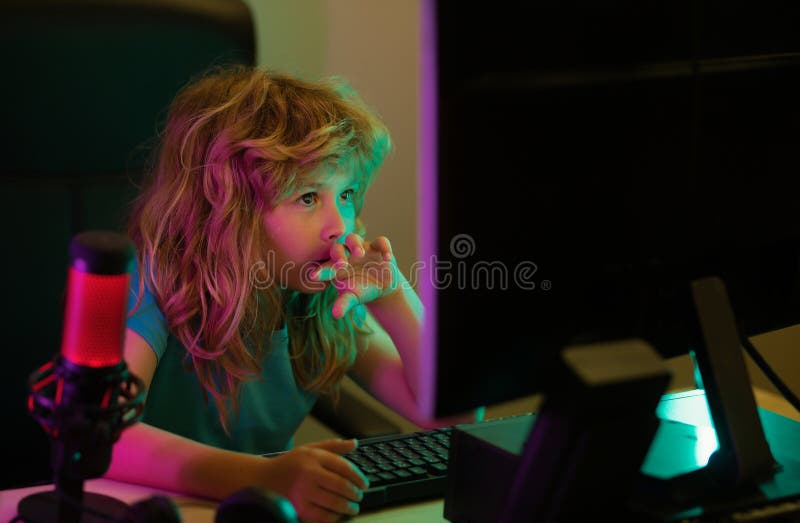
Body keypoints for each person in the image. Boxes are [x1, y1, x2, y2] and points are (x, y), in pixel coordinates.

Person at [105, 66, 474, 523]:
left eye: (347, 193)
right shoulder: (157, 281)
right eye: (307, 198)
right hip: (144, 510)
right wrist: (262, 477)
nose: (339, 224)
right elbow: (106, 436)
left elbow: (449, 416)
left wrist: (393, 296)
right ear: (229, 210)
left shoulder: (320, 297)